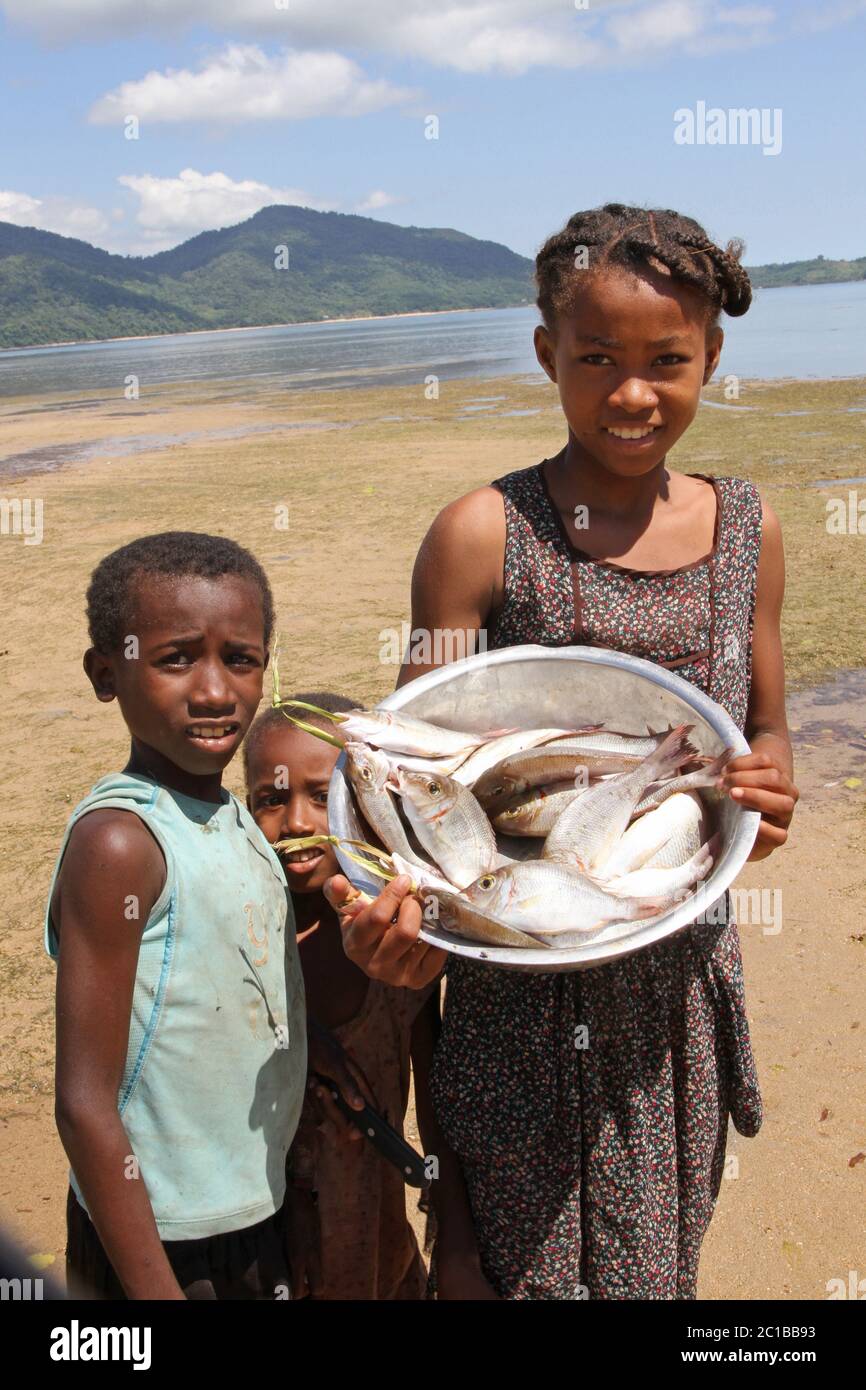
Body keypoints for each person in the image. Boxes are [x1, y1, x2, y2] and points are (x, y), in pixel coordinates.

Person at [325, 202, 800, 1300]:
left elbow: (762, 722)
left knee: (653, 1269)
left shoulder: (749, 529)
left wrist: (769, 789)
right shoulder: (479, 533)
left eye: (665, 361)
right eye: (595, 358)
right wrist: (395, 918)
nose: (630, 393)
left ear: (710, 357)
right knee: (506, 1272)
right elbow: (408, 772)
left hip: (671, 985)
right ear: (547, 354)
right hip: (515, 1003)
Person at [46, 532, 312, 1300]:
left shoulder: (233, 818)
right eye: (175, 658)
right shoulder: (122, 843)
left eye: (241, 658)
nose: (214, 692)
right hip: (157, 1243)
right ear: (106, 674)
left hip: (249, 1213)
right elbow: (83, 1101)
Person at [244, 698, 437, 1300]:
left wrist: (446, 1199)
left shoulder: (397, 943)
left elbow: (431, 1073)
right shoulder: (238, 938)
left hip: (379, 1244)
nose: (298, 820)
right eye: (271, 799)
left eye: (322, 794)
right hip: (266, 1255)